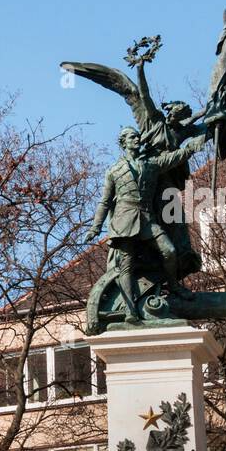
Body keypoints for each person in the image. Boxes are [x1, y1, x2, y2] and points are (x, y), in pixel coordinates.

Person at [85, 127, 207, 322]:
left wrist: (201, 140)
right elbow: (105, 201)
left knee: (169, 251)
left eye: (137, 137)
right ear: (124, 142)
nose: (137, 139)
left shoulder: (152, 164)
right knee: (126, 267)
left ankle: (173, 285)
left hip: (147, 218)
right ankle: (130, 310)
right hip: (124, 221)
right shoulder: (114, 171)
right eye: (133, 137)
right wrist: (95, 227)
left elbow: (179, 155)